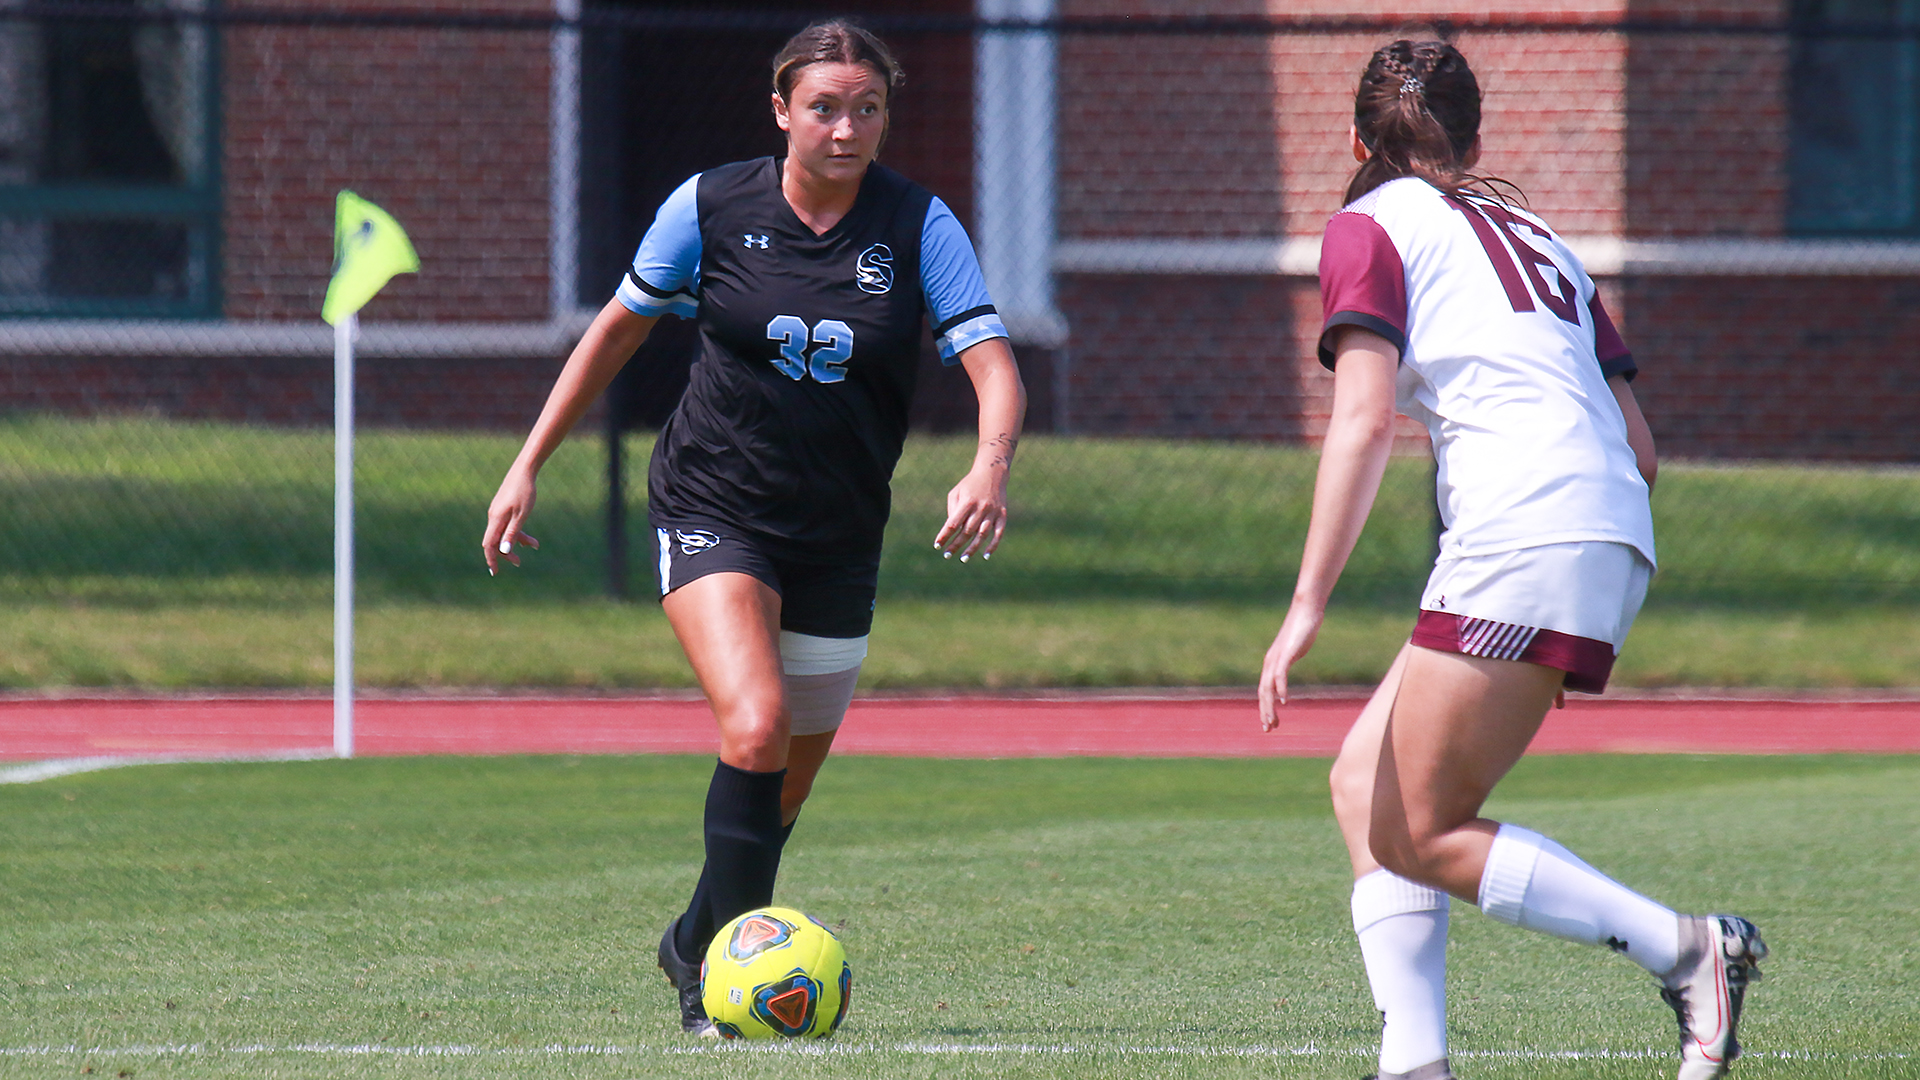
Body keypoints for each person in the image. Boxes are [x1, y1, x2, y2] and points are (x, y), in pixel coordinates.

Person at [482, 19, 1025, 1035]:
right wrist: (527, 464)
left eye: (868, 109)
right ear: (781, 111)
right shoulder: (709, 206)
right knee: (756, 726)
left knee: (780, 787)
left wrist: (988, 466)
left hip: (840, 530)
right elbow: (616, 330)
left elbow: (992, 364)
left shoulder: (917, 225)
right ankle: (715, 991)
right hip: (712, 504)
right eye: (824, 107)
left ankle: (693, 939)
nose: (847, 127)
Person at [1258, 40, 1764, 1080]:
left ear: (1354, 140)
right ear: (1477, 139)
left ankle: (1686, 952)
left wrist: (1306, 603)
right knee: (1366, 786)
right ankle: (1415, 1062)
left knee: (1422, 829)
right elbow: (1642, 449)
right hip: (1604, 529)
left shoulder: (1366, 224)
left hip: (1522, 530)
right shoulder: (1543, 239)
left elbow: (1357, 425)